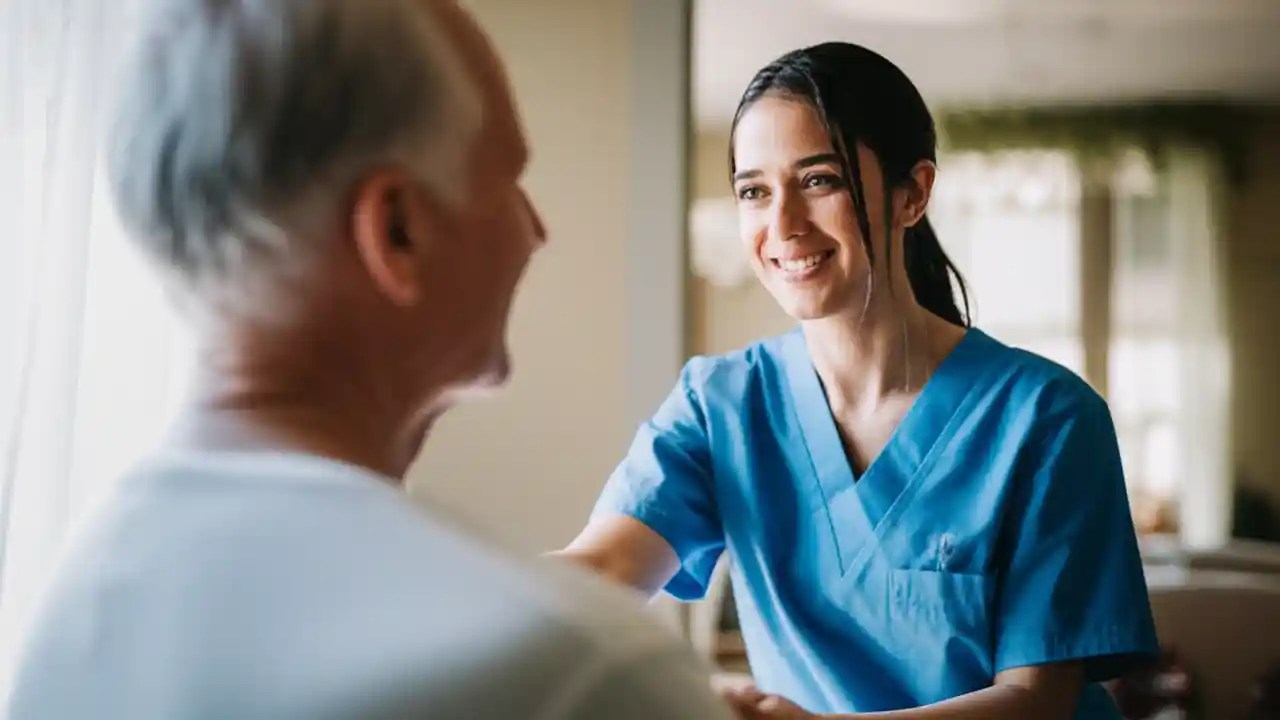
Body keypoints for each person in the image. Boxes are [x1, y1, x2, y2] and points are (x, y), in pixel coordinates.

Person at [4, 1, 738, 718]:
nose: (536, 232)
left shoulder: (65, 624)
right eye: (507, 180)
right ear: (396, 231)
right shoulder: (577, 668)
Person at [557, 43, 1159, 719]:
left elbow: (1034, 702)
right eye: (754, 191)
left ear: (913, 194)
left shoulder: (1046, 419)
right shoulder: (719, 405)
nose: (781, 225)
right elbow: (603, 571)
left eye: (820, 181)